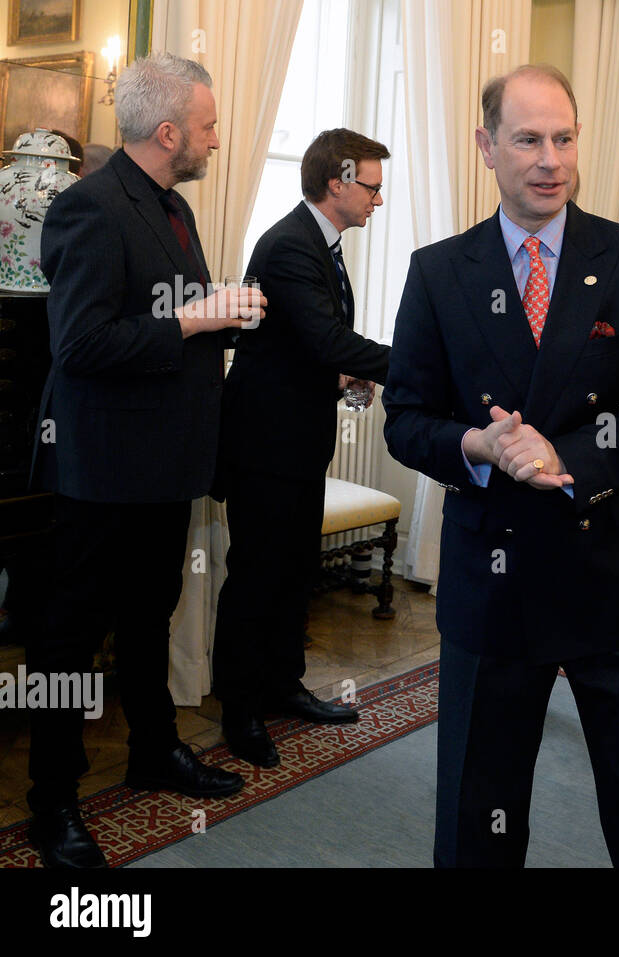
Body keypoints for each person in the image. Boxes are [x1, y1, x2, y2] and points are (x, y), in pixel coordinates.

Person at [383, 64, 619, 867]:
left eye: (564, 137)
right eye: (528, 139)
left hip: (615, 581)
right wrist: (477, 448)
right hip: (495, 589)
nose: (551, 158)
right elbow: (407, 422)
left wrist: (570, 455)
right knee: (478, 813)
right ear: (487, 146)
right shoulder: (437, 272)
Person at [25, 52, 265, 868]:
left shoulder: (172, 208)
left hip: (166, 470)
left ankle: (153, 750)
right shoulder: (89, 208)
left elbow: (167, 324)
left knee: (148, 619)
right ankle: (51, 801)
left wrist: (226, 317)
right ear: (168, 132)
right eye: (207, 127)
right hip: (100, 475)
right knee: (68, 643)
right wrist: (199, 320)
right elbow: (82, 345)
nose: (216, 140)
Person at [212, 129, 392, 767]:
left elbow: (312, 341)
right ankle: (239, 711)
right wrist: (413, 365)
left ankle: (282, 686)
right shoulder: (291, 244)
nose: (378, 199)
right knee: (257, 578)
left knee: (292, 573)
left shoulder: (324, 243)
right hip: (265, 445)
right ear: (337, 182)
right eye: (371, 186)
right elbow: (325, 340)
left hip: (297, 441)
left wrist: (349, 370)